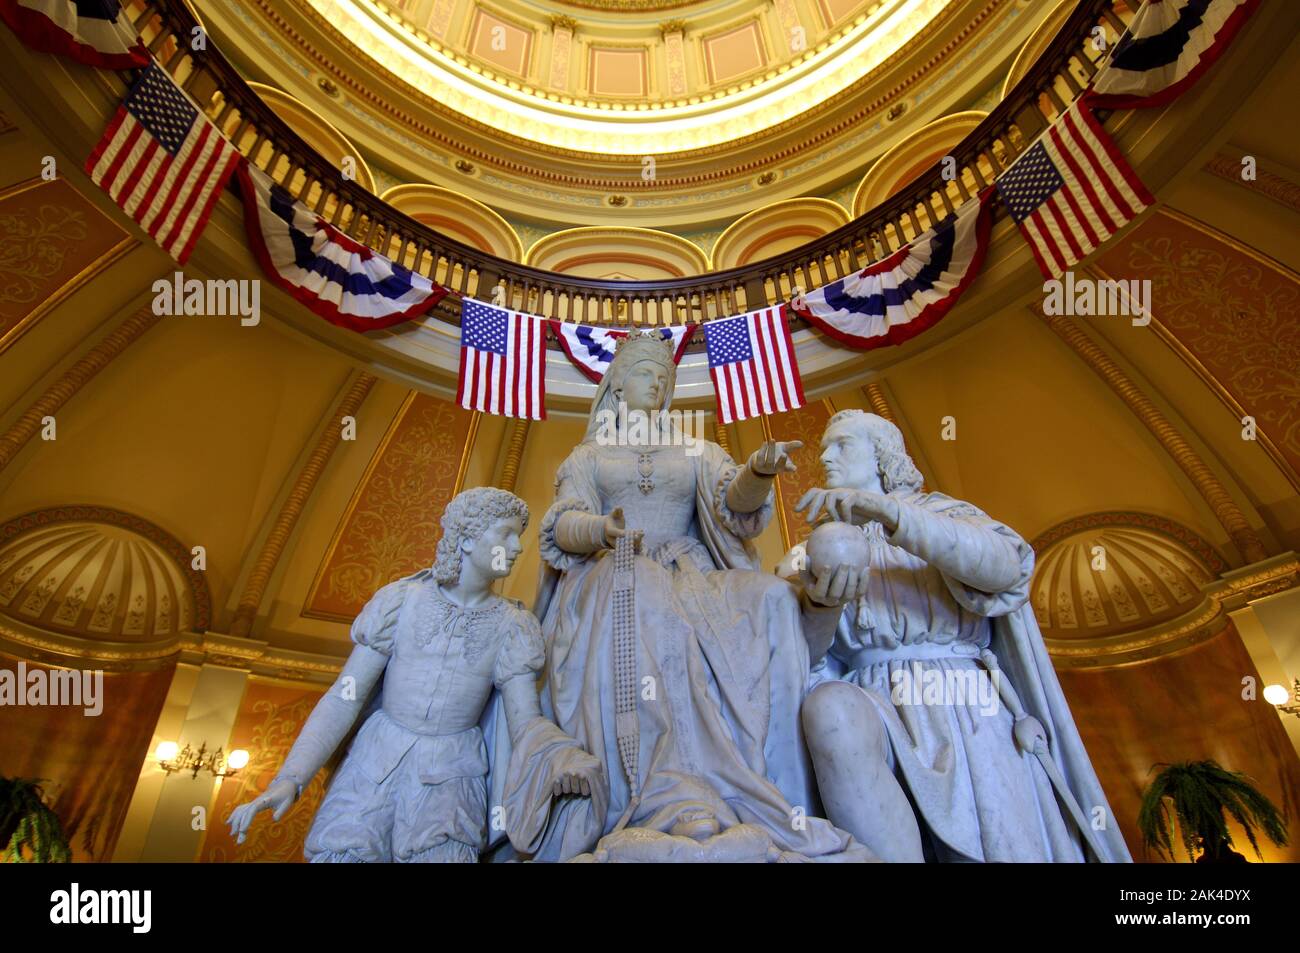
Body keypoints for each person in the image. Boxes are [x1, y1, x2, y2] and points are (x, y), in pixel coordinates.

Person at [530, 330, 868, 862]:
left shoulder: (697, 449)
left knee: (773, 599)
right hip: (619, 572)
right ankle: (665, 791)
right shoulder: (587, 457)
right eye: (644, 371)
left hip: (694, 572)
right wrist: (601, 529)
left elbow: (733, 505)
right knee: (644, 591)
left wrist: (758, 471)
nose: (657, 382)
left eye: (664, 376)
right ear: (616, 379)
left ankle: (776, 788)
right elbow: (563, 524)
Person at [787, 410, 1130, 862]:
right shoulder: (813, 552)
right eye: (824, 448)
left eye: (842, 444)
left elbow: (1006, 569)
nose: (826, 457)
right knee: (827, 706)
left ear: (882, 456)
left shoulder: (943, 515)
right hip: (871, 703)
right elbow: (801, 662)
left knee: (1000, 848)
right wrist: (822, 605)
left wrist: (890, 514)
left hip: (959, 696)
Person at [227, 487, 602, 862]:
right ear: (468, 537)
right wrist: (290, 779)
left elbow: (525, 723)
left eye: (517, 537)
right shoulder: (401, 601)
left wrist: (561, 757)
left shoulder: (514, 626)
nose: (518, 549)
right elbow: (346, 696)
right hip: (372, 764)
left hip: (453, 779)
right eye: (505, 534)